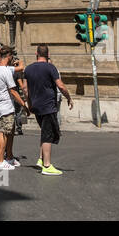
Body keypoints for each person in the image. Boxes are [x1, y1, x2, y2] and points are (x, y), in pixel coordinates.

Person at [22, 45, 75, 176]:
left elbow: (24, 88)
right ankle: (47, 165)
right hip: (48, 106)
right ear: (48, 54)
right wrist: (69, 98)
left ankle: (41, 159)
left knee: (45, 132)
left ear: (36, 54)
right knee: (48, 135)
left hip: (36, 106)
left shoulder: (28, 69)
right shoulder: (50, 67)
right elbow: (61, 86)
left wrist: (29, 104)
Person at [0, 47, 29, 171]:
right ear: (8, 56)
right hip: (5, 106)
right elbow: (13, 91)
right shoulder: (5, 71)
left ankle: (9, 157)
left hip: (1, 104)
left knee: (10, 130)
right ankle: (0, 161)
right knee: (4, 132)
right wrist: (24, 105)